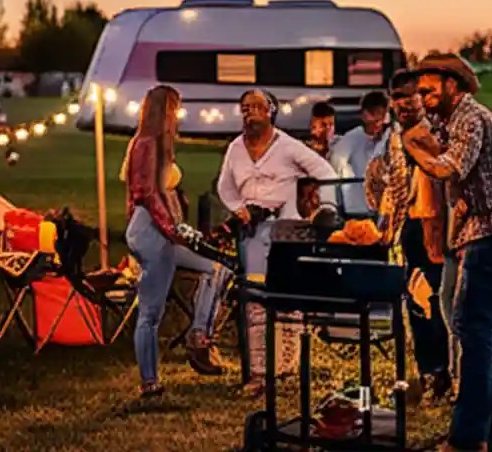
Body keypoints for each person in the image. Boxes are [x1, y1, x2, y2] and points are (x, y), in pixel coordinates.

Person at [402, 54, 492, 452]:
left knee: (471, 330)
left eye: (429, 89)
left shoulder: (470, 118)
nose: (422, 96)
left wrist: (416, 152)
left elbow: (451, 169)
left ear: (454, 86)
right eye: (419, 90)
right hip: (490, 234)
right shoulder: (451, 122)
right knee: (491, 335)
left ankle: (469, 438)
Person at [217, 88, 337, 391]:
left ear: (271, 110)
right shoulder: (235, 148)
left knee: (286, 297)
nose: (249, 112)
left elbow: (324, 171)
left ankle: (285, 366)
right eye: (244, 107)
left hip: (286, 230)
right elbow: (225, 186)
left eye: (257, 106)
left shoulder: (287, 146)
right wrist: (238, 209)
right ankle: (259, 372)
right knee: (256, 297)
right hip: (253, 230)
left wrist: (316, 207)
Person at [122, 85, 230, 399]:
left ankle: (198, 335)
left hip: (163, 230)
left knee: (216, 267)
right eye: (175, 108)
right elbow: (147, 194)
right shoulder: (146, 144)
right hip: (151, 230)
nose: (178, 116)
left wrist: (179, 225)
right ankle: (149, 380)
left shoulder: (158, 144)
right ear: (165, 109)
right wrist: (174, 228)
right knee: (151, 310)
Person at [366, 73, 453, 402]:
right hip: (407, 228)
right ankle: (428, 374)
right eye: (397, 96)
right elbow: (395, 183)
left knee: (432, 303)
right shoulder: (394, 136)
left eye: (410, 95)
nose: (404, 102)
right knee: (415, 307)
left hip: (434, 228)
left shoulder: (434, 132)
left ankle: (443, 374)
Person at [331, 90, 391, 217]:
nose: (378, 124)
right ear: (364, 115)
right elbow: (335, 168)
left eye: (381, 117)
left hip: (386, 209)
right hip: (358, 210)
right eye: (373, 117)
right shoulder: (350, 140)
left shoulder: (391, 137)